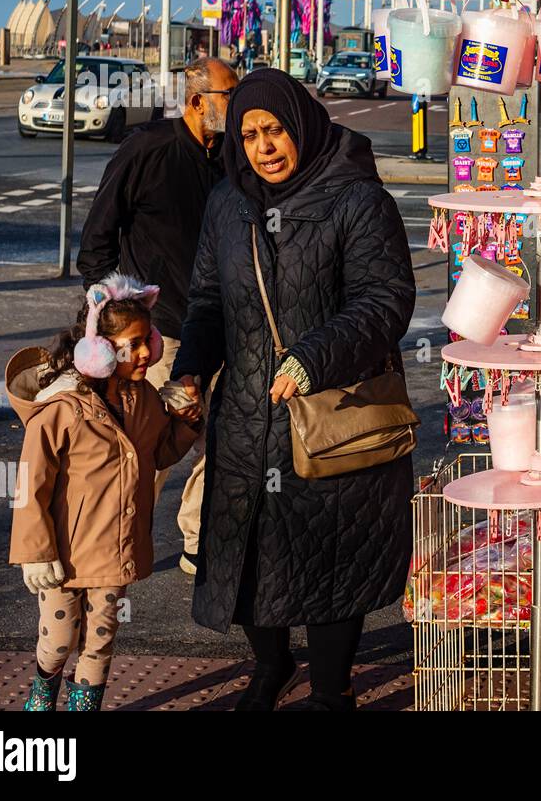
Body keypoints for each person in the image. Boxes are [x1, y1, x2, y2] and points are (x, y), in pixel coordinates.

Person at [172, 68, 416, 712]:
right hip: (249, 416)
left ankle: (333, 689)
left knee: (330, 559)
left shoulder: (357, 199)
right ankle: (272, 664)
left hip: (330, 413)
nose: (263, 146)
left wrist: (314, 356)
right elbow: (206, 299)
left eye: (274, 130)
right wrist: (190, 368)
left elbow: (385, 300)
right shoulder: (229, 201)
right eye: (249, 134)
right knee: (250, 554)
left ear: (301, 126)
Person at [7, 275, 203, 711]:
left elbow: (159, 453)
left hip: (114, 551)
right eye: (130, 344)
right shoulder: (62, 408)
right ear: (97, 349)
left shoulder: (144, 398)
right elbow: (30, 485)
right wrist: (35, 551)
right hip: (63, 553)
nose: (144, 353)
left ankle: (84, 706)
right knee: (59, 641)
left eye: (147, 340)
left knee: (99, 640)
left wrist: (187, 421)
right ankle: (43, 688)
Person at [77, 57, 234, 574]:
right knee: (149, 443)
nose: (237, 106)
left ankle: (196, 538)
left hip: (223, 328)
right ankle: (117, 540)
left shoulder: (231, 156)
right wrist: (107, 316)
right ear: (196, 102)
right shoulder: (147, 150)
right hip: (160, 335)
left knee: (223, 437)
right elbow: (99, 235)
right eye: (228, 96)